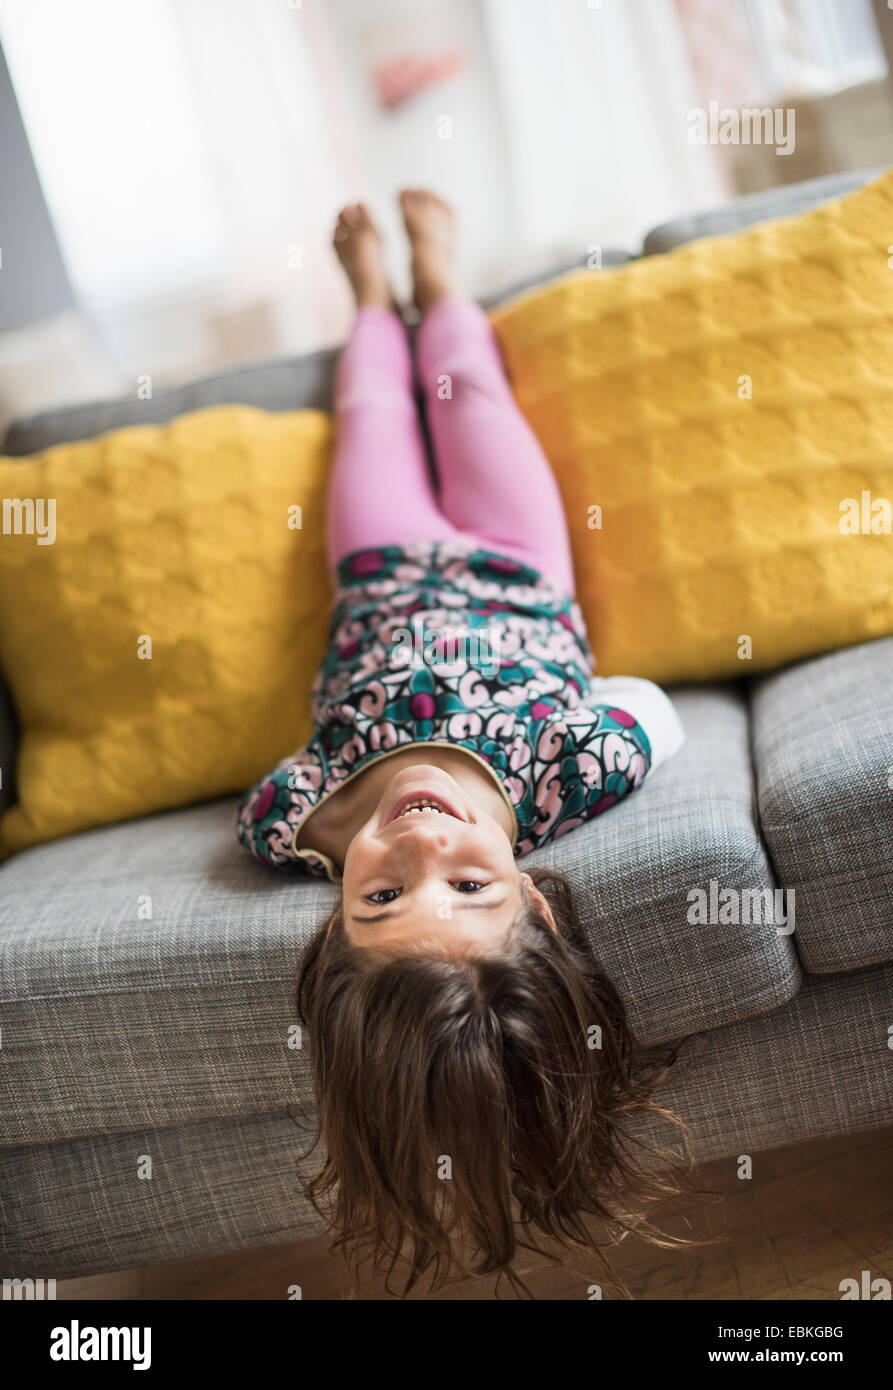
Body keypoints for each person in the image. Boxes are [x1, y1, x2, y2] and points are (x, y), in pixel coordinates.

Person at [236, 190, 690, 1297]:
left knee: (376, 413)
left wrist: (319, 829)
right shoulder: (569, 770)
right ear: (534, 898)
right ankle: (436, 273)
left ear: (332, 924)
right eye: (470, 881)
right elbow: (653, 709)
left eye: (380, 898)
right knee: (469, 388)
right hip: (515, 560)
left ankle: (367, 296)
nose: (417, 842)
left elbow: (267, 807)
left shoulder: (296, 820)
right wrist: (578, 697)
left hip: (381, 567)